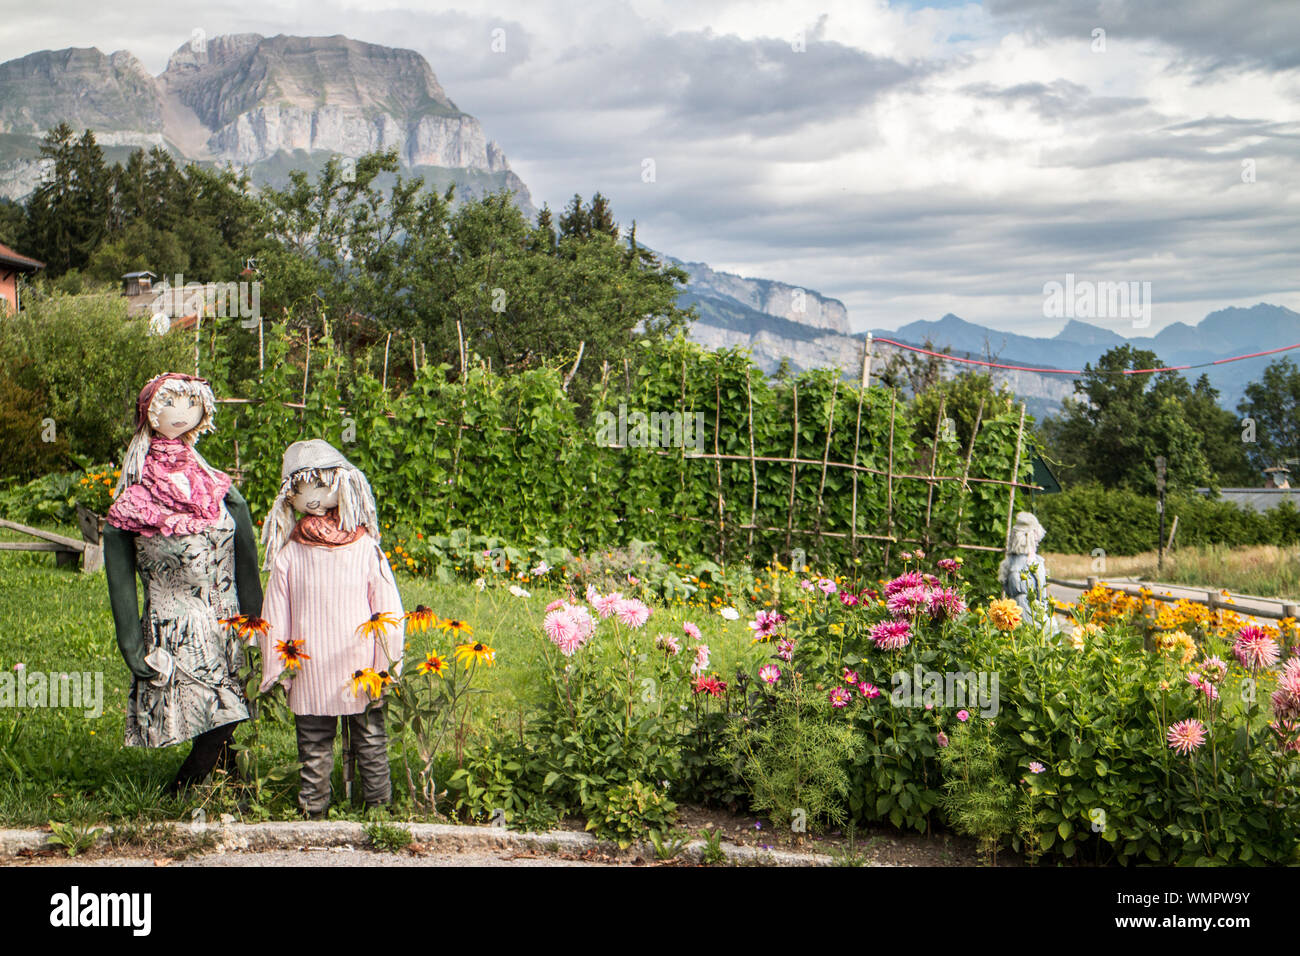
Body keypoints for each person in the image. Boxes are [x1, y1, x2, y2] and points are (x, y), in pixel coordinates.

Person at [103, 372, 262, 794]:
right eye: (172, 402)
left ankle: (227, 775)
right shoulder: (136, 497)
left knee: (228, 705)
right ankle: (182, 789)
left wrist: (256, 612)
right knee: (220, 707)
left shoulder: (214, 485)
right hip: (176, 622)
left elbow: (244, 549)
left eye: (191, 403)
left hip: (226, 615)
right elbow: (117, 564)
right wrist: (130, 643)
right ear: (151, 414)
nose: (182, 412)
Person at [258, 439, 404, 818]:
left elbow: (387, 608)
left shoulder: (365, 547)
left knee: (369, 739)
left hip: (362, 669)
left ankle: (377, 807)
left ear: (343, 485)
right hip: (310, 668)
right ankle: (314, 809)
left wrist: (388, 664)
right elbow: (275, 614)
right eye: (302, 488)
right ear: (289, 496)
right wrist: (277, 669)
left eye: (322, 485)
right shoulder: (290, 554)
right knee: (316, 744)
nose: (313, 497)